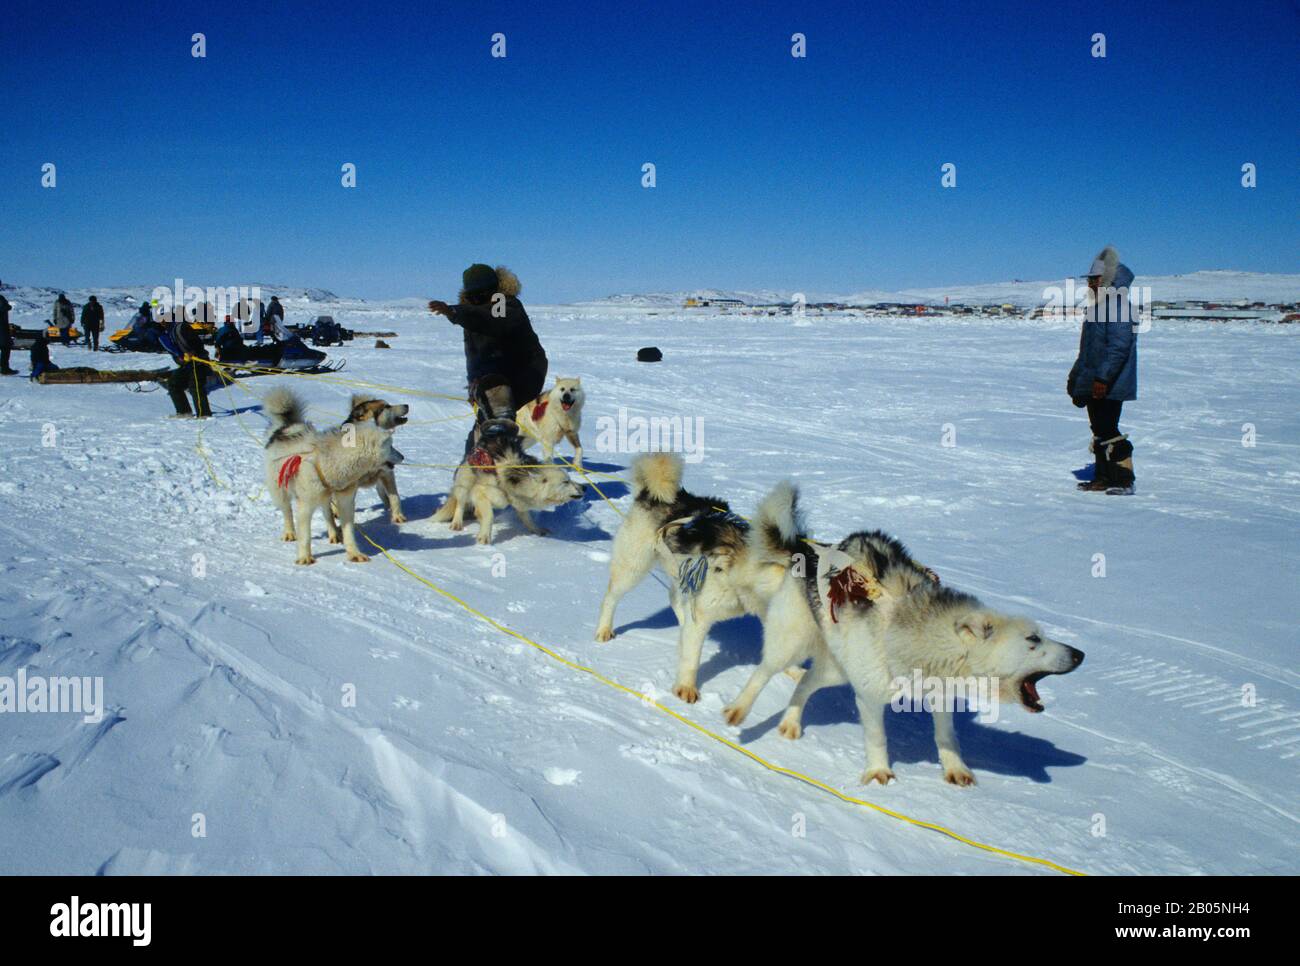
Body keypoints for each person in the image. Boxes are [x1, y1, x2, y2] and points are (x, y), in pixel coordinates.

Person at [428, 264, 547, 453]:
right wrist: (475, 388)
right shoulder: (472, 310)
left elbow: (493, 320)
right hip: (490, 379)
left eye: (482, 292)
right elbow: (477, 357)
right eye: (473, 294)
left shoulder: (504, 303)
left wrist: (454, 312)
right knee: (485, 421)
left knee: (499, 421)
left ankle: (498, 458)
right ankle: (472, 466)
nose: (478, 297)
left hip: (523, 374)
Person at [1067, 245, 1138, 495]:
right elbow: (1087, 352)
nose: (1090, 284)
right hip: (1096, 381)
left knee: (1108, 430)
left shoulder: (1118, 306)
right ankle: (1104, 477)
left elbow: (1118, 347)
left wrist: (1102, 378)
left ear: (1107, 279)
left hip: (1111, 383)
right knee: (1099, 430)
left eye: (1094, 279)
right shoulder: (1099, 306)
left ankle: (1123, 480)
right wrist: (1076, 379)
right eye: (1089, 280)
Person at [163, 305, 212, 418]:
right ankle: (184, 412)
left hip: (199, 362)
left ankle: (204, 414)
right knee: (173, 383)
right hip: (187, 364)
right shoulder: (169, 332)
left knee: (195, 386)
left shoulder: (182, 327)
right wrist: (180, 359)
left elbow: (197, 343)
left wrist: (192, 352)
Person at [0, 285, 15, 374]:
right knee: (5, 347)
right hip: (1, 326)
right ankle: (4, 368)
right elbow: (4, 307)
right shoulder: (1, 298)